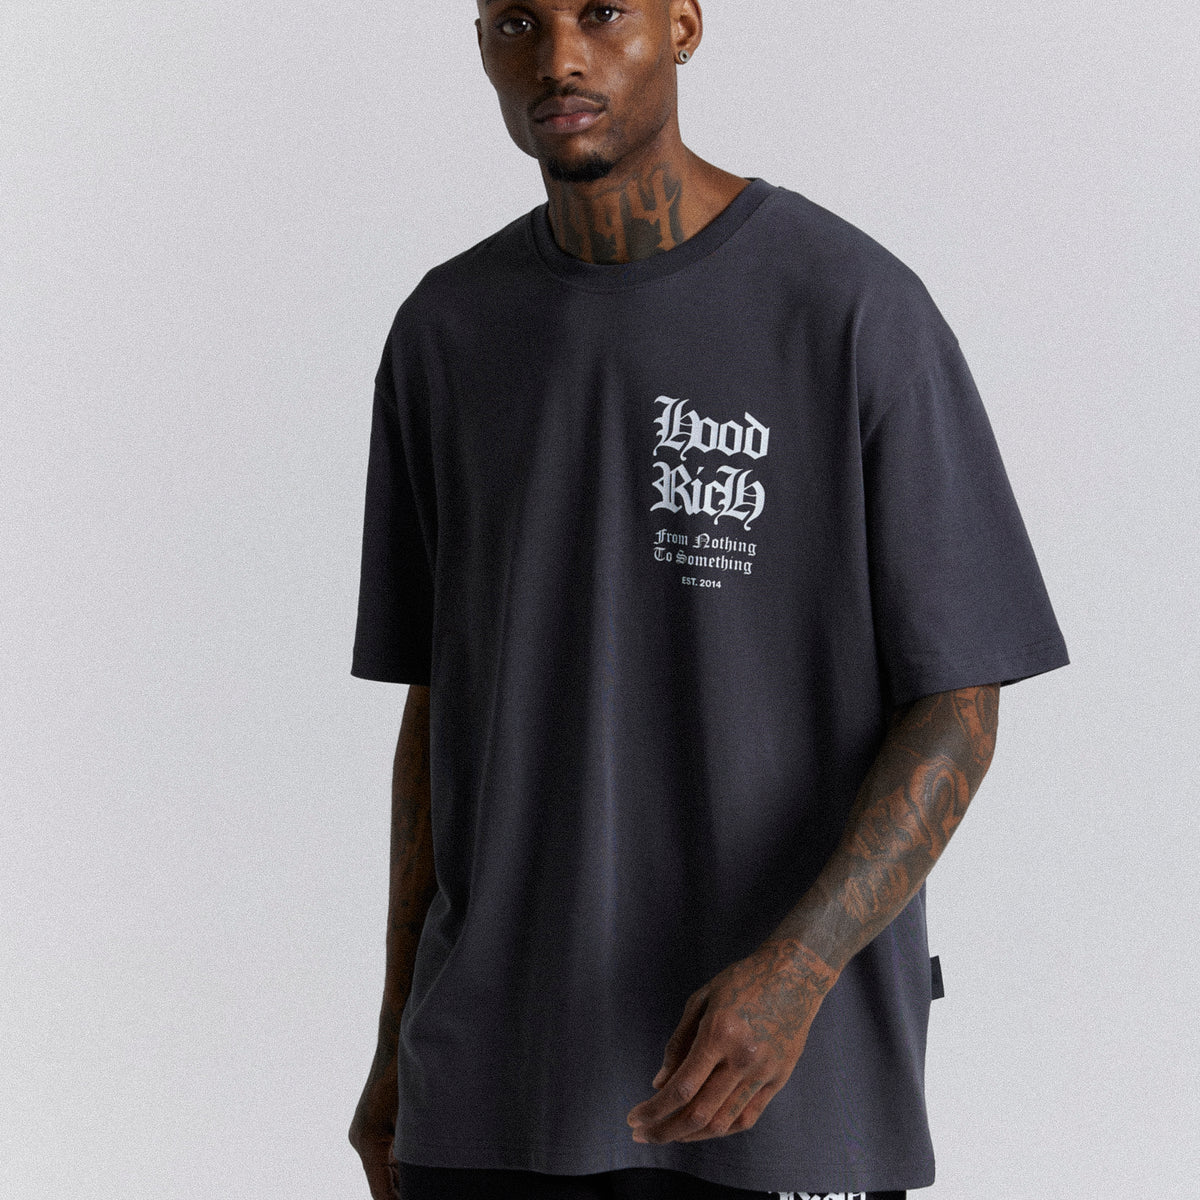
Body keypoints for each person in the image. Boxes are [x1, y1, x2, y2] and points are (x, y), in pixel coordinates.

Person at [347, 2, 1068, 1198]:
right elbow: (438, 716)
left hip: (784, 1095)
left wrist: (801, 966)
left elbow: (959, 702)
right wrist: (393, 1049)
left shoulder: (851, 308)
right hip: (496, 1091)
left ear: (683, 25)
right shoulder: (448, 332)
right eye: (516, 21)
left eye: (602, 13)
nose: (558, 58)